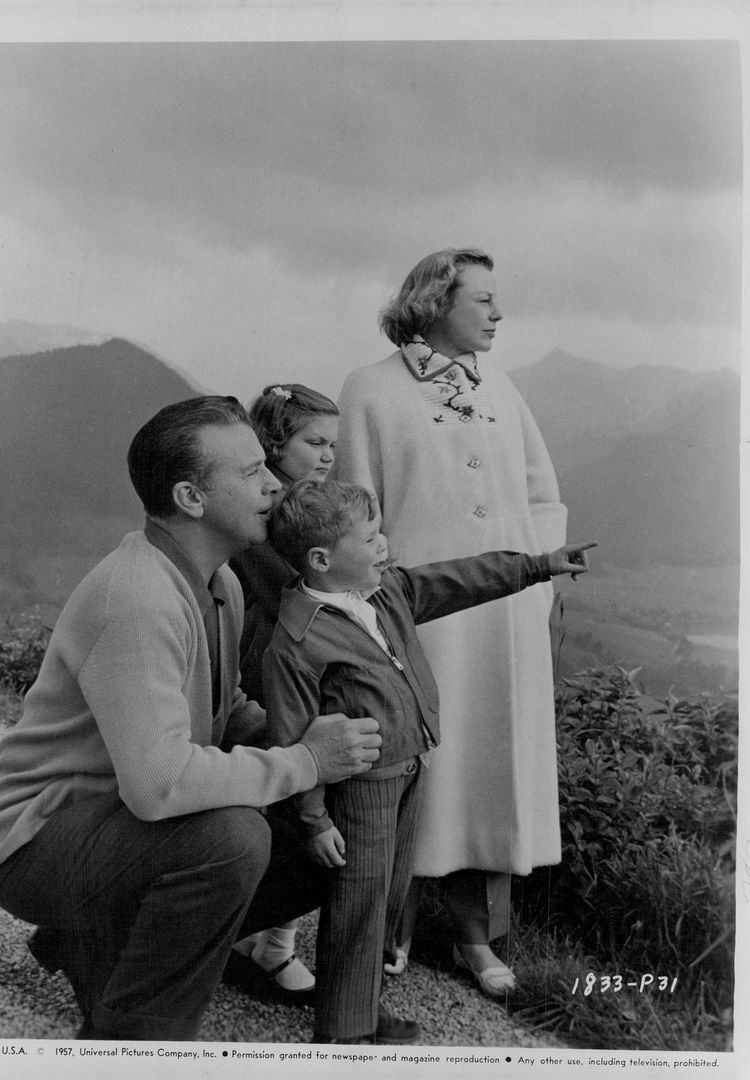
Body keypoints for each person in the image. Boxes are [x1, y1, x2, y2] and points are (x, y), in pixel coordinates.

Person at [0, 396, 381, 1042]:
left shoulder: (222, 584)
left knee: (318, 830)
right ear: (191, 498)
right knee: (233, 837)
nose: (274, 482)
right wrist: (303, 761)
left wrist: (320, 749)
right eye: (249, 473)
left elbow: (222, 712)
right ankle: (133, 1034)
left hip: (116, 827)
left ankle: (97, 941)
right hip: (34, 843)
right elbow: (160, 784)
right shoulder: (136, 596)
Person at [262, 478, 593, 1043]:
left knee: (388, 894)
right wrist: (314, 820)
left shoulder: (385, 592)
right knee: (359, 901)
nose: (384, 545)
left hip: (413, 767)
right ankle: (344, 1031)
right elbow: (293, 739)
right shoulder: (296, 641)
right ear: (321, 560)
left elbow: (459, 579)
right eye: (369, 539)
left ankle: (363, 1007)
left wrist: (539, 565)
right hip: (360, 788)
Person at [333, 247, 568, 996]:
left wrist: (533, 590)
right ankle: (389, 921)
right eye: (484, 300)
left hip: (500, 620)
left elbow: (541, 496)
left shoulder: (501, 386)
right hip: (421, 618)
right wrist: (378, 608)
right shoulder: (370, 390)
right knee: (415, 764)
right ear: (435, 302)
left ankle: (477, 937)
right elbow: (356, 507)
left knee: (487, 767)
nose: (498, 315)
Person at [228, 383, 339, 999]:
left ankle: (270, 943)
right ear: (274, 443)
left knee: (295, 802)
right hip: (260, 666)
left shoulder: (307, 507)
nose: (327, 455)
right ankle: (263, 945)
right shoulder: (264, 521)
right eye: (313, 442)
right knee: (282, 803)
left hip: (295, 667)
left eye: (332, 445)